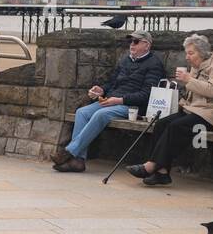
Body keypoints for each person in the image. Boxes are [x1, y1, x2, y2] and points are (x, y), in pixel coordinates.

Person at [126, 33, 213, 186]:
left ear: (202, 52)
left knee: (176, 126)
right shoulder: (197, 65)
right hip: (198, 110)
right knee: (161, 123)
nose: (187, 57)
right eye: (186, 53)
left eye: (191, 53)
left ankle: (151, 165)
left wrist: (188, 80)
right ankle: (162, 173)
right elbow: (192, 93)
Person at [53, 31, 164, 172]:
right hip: (111, 100)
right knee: (82, 112)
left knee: (101, 114)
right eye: (131, 42)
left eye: (136, 42)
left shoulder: (154, 64)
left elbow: (147, 95)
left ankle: (69, 151)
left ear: (146, 45)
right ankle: (78, 160)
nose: (131, 45)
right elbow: (112, 83)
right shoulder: (125, 60)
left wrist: (119, 100)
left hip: (131, 106)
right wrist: (101, 90)